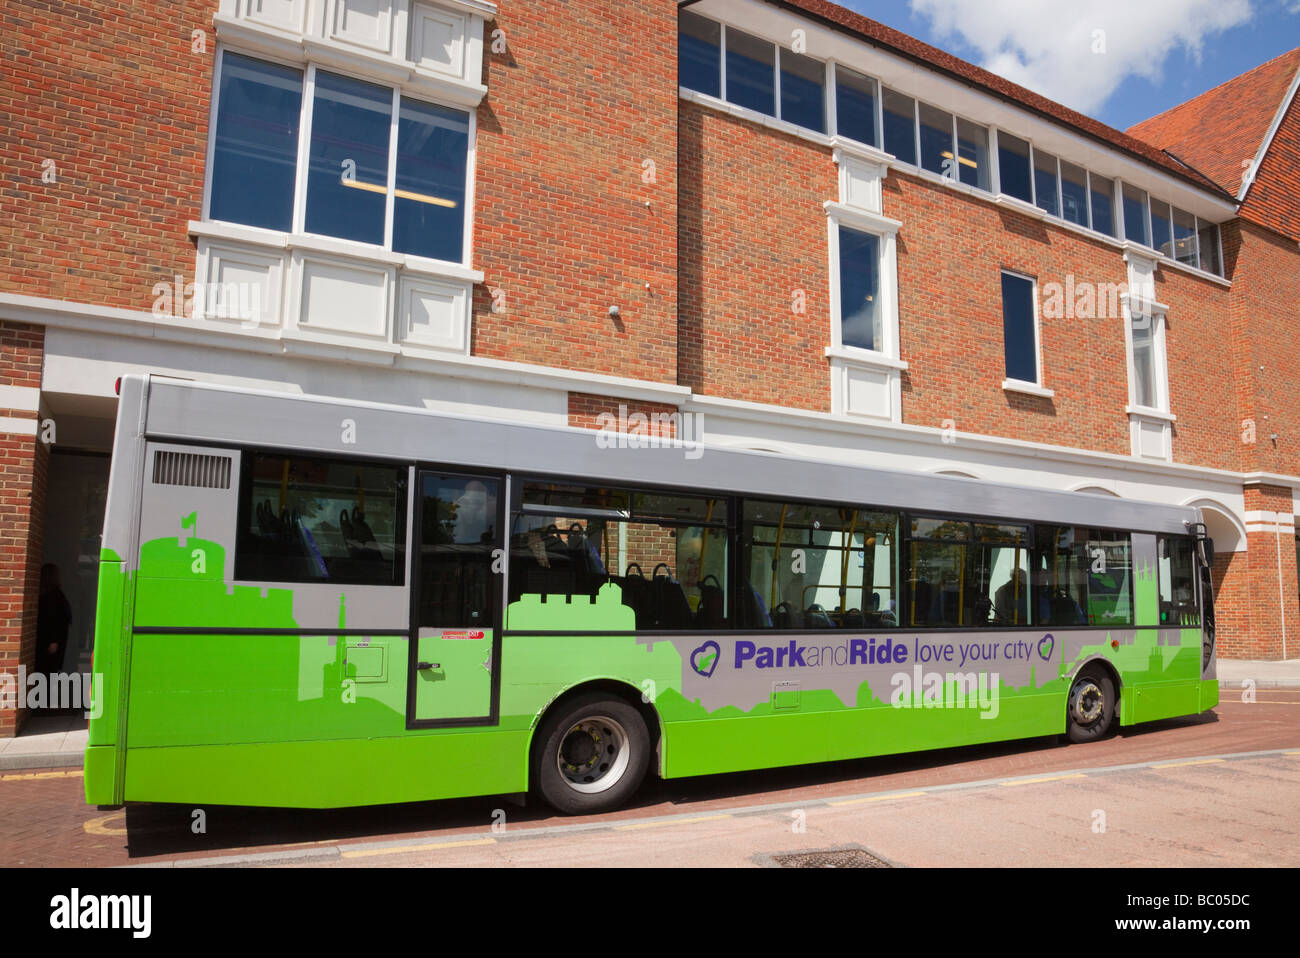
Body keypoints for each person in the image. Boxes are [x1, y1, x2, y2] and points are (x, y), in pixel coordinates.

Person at [36, 563, 73, 688]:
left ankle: (43, 702)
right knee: (47, 672)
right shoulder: (56, 595)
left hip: (47, 641)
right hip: (51, 640)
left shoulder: (51, 595)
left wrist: (53, 640)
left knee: (45, 672)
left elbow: (56, 619)